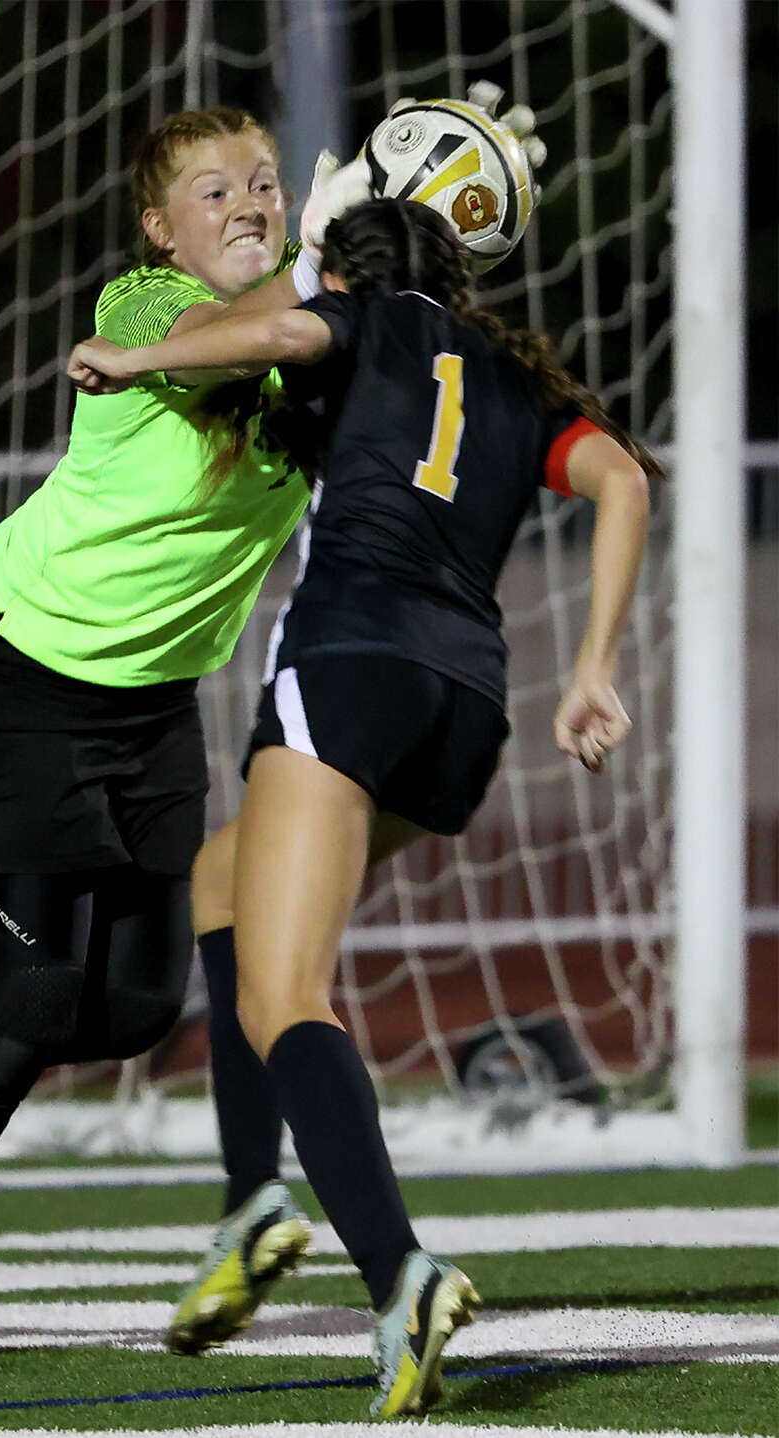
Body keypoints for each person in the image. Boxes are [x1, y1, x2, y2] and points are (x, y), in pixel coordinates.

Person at [0, 103, 377, 1373]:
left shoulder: (308, 343)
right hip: (9, 669)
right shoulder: (160, 309)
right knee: (35, 990)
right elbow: (218, 338)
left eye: (266, 184)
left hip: (147, 701)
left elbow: (351, 356)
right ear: (161, 230)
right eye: (214, 193)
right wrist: (319, 256)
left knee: (134, 1006)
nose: (251, 203)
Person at [66, 196, 658, 1416]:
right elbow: (626, 482)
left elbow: (281, 341)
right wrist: (593, 664)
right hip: (466, 709)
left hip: (351, 662)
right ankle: (251, 1202)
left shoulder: (358, 321)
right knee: (222, 881)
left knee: (288, 993)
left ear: (340, 270)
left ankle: (400, 1275)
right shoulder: (506, 372)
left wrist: (136, 355)